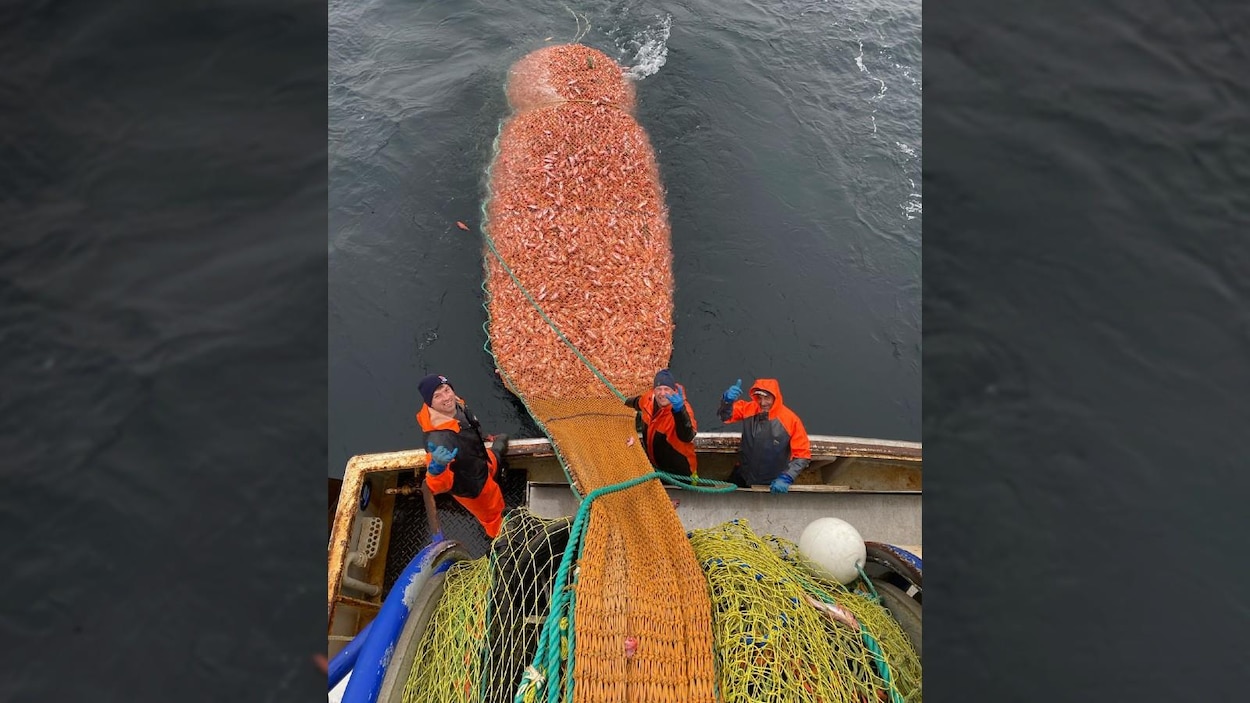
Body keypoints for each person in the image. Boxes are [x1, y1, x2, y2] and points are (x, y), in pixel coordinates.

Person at [415, 373, 510, 538]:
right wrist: (437, 468)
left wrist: (483, 436)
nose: (446, 397)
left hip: (481, 461)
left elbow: (471, 423)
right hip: (473, 487)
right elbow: (437, 486)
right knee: (493, 514)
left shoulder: (456, 404)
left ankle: (494, 465)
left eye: (447, 390)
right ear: (430, 403)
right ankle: (501, 537)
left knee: (501, 444)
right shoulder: (438, 442)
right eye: (437, 396)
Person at [717, 377, 811, 493]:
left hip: (771, 481)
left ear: (775, 398)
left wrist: (787, 477)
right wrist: (727, 402)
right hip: (743, 473)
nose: (763, 403)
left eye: (767, 398)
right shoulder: (748, 409)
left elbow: (802, 454)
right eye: (759, 398)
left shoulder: (791, 420)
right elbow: (725, 416)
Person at [624, 368, 698, 476]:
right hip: (657, 468)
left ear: (673, 391)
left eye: (666, 389)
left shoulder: (683, 409)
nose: (662, 394)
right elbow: (637, 402)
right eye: (659, 389)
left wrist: (679, 411)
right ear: (654, 390)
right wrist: (623, 402)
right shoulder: (648, 399)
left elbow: (687, 436)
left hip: (682, 473)